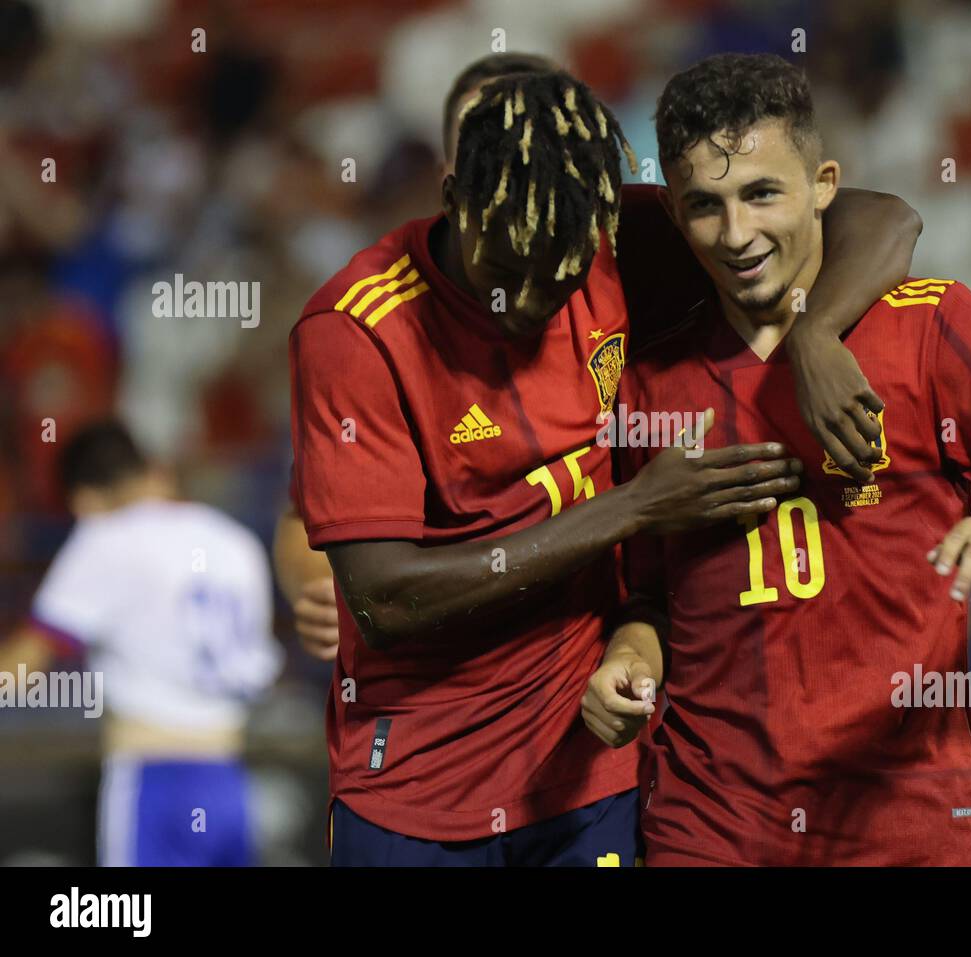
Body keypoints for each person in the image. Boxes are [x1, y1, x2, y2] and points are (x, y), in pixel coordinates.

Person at [290, 64, 922, 866]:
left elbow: (885, 217)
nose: (526, 302)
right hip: (417, 783)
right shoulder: (356, 332)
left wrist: (815, 331)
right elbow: (385, 598)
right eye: (503, 272)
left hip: (590, 771)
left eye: (554, 276)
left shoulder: (605, 237)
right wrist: (633, 508)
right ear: (452, 203)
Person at [580, 52, 971, 866]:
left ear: (825, 184)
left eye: (763, 193)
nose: (736, 235)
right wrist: (627, 661)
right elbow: (652, 597)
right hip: (709, 831)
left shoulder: (933, 327)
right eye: (705, 205)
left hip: (903, 828)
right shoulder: (650, 378)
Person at [0, 421, 282, 865]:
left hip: (156, 781)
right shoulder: (236, 541)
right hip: (229, 778)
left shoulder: (108, 537)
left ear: (85, 499)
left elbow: (22, 666)